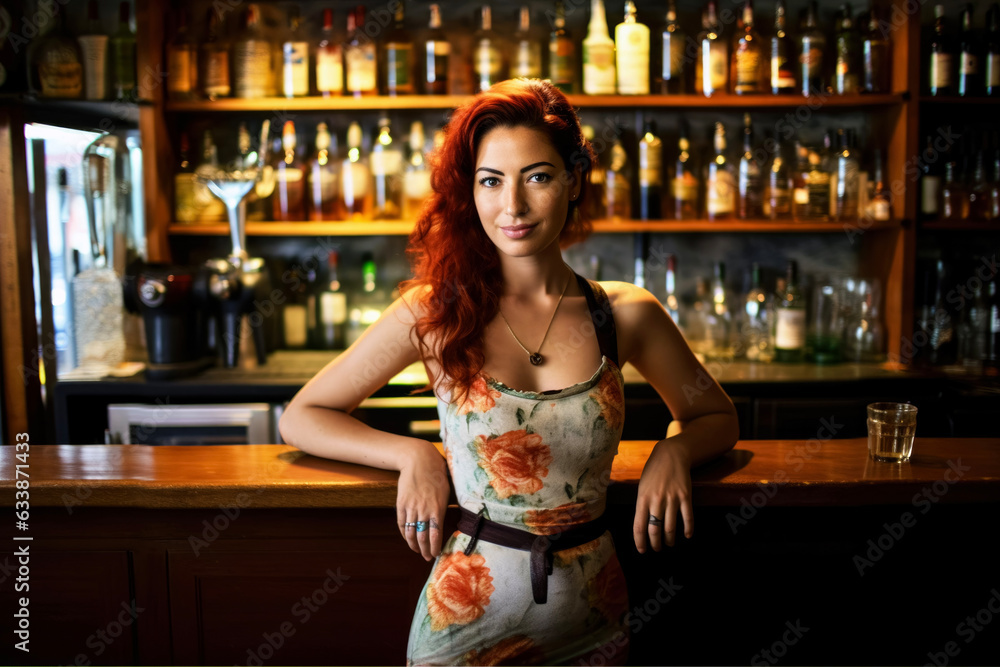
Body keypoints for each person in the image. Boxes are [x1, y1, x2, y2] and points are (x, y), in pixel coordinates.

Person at [279, 78, 740, 666]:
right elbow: (303, 416)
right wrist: (412, 455)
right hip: (465, 634)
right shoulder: (434, 312)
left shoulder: (625, 313)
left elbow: (714, 415)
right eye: (491, 181)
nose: (512, 206)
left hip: (597, 622)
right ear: (469, 191)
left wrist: (673, 451)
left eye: (537, 177)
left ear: (574, 180)